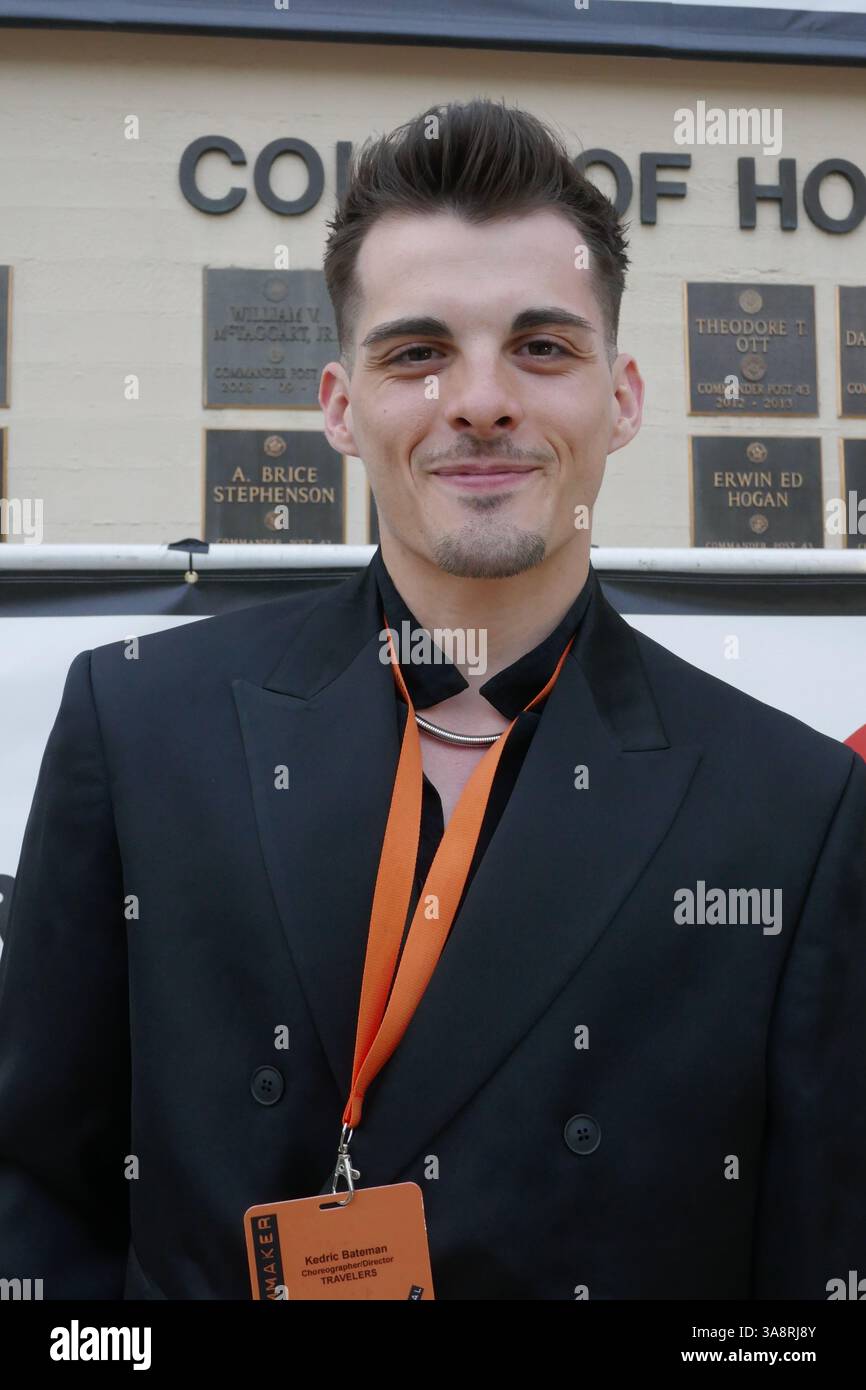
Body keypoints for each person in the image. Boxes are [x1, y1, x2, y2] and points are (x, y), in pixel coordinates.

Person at [1, 99, 864, 1301]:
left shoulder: (797, 810)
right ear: (338, 406)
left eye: (540, 348)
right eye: (416, 353)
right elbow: (35, 1188)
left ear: (621, 399)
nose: (479, 400)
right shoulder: (138, 726)